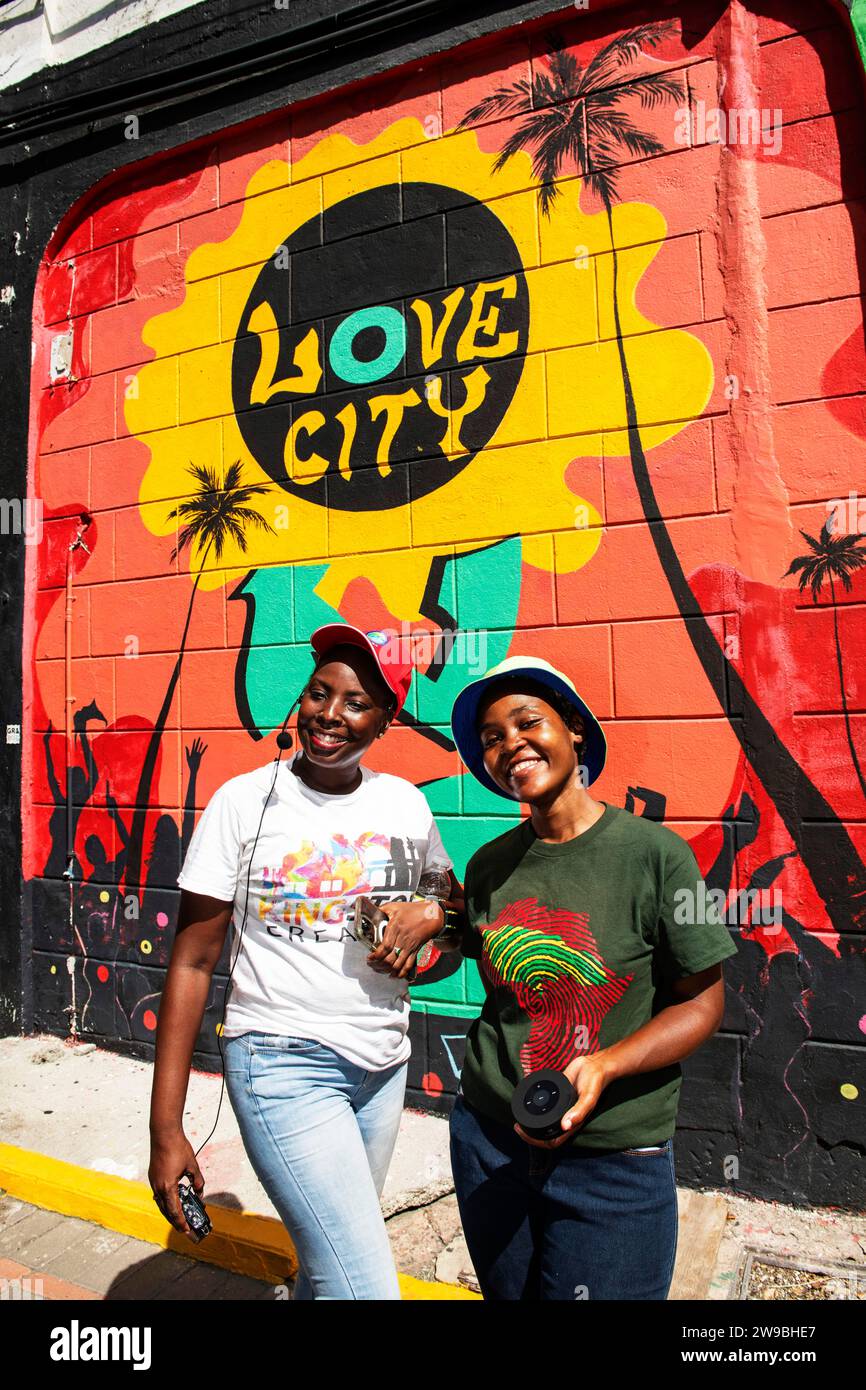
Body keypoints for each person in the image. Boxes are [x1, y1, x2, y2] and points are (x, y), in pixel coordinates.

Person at [148, 625, 457, 1300]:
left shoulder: (404, 804)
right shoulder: (242, 803)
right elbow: (193, 963)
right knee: (365, 1288)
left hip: (381, 1066)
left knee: (329, 1272)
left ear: (386, 720)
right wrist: (166, 1130)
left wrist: (430, 920)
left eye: (356, 702)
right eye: (320, 693)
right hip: (281, 1062)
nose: (331, 714)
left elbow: (452, 912)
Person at [447, 655, 738, 1301]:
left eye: (528, 723)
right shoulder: (490, 865)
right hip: (489, 1141)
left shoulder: (656, 856)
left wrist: (606, 1064)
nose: (509, 745)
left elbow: (702, 1003)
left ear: (574, 729)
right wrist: (424, 924)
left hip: (613, 1161)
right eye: (491, 738)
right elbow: (488, 974)